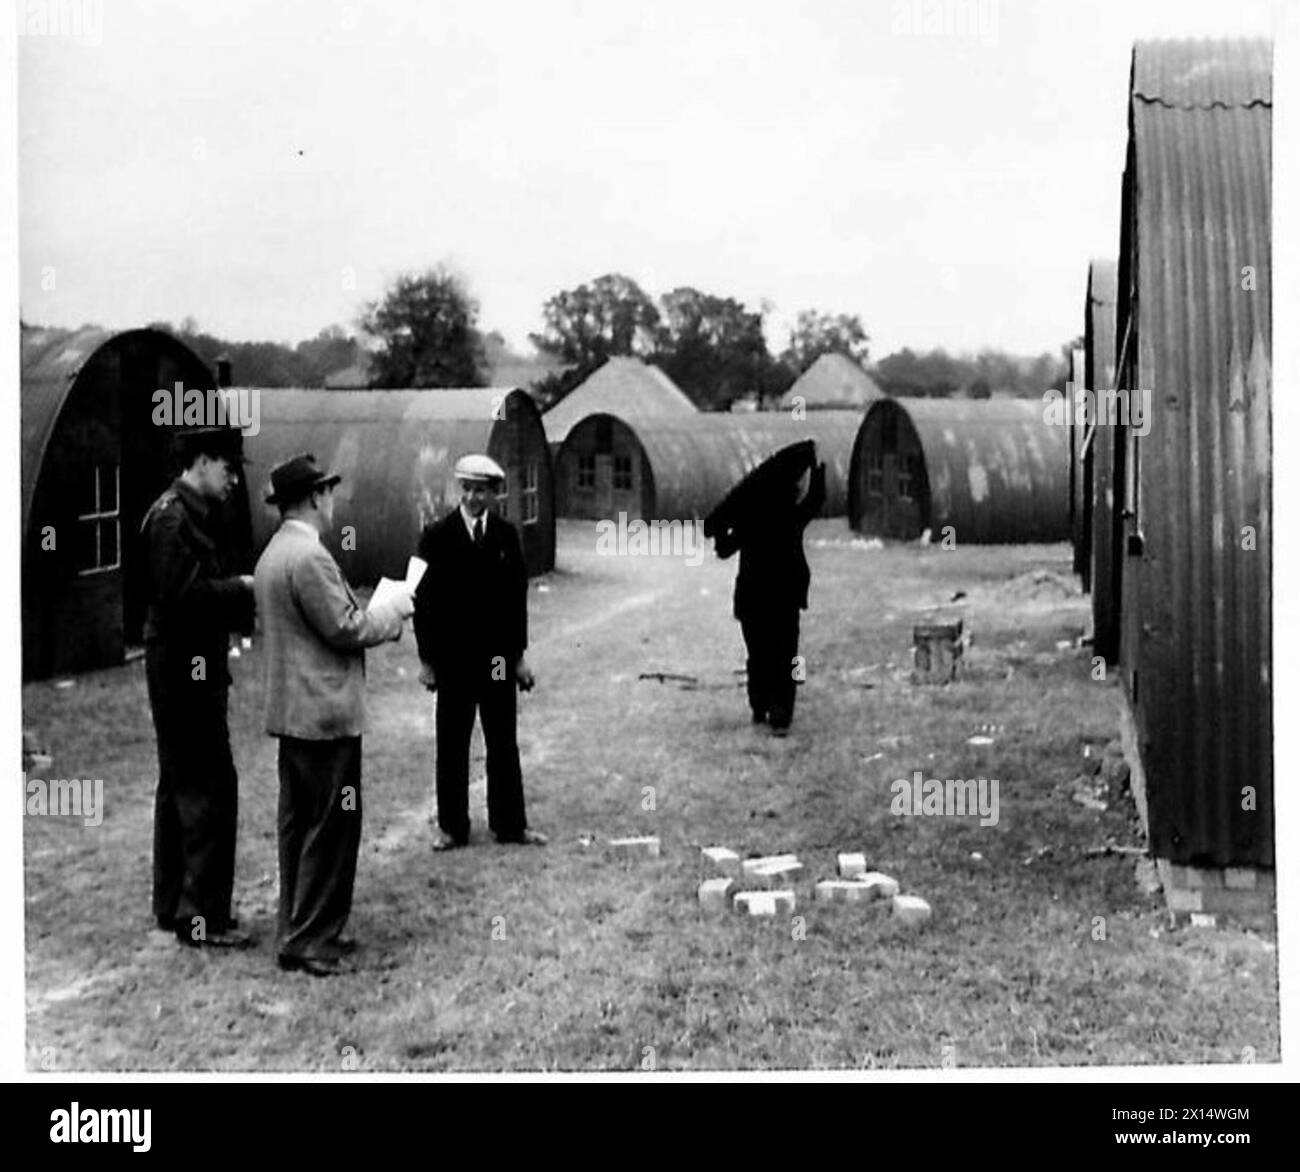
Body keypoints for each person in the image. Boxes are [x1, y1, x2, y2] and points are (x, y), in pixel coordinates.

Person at [253, 454, 413, 977]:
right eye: (328, 492)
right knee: (332, 827)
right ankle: (313, 940)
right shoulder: (310, 557)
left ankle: (297, 929)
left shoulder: (275, 553)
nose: (333, 500)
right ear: (316, 497)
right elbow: (344, 628)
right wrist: (393, 612)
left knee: (299, 827)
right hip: (325, 717)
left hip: (294, 715)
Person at [142, 425, 256, 948]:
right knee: (209, 785)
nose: (233, 480)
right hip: (185, 669)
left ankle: (173, 906)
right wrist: (242, 590)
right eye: (229, 468)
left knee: (180, 784)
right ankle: (201, 917)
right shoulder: (173, 519)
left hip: (185, 666)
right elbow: (183, 599)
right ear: (203, 461)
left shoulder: (183, 514)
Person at [413, 454, 546, 850]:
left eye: (481, 490)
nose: (473, 497)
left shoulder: (506, 536)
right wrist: (427, 661)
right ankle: (452, 827)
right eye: (467, 489)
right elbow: (421, 602)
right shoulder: (436, 537)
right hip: (453, 662)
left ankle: (510, 825)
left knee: (503, 741)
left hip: (497, 662)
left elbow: (515, 602)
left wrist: (517, 657)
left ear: (494, 493)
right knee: (452, 743)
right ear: (460, 490)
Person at [713, 459, 826, 736]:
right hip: (784, 596)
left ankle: (759, 706)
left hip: (753, 598)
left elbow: (725, 549)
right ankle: (781, 713)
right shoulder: (790, 515)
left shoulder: (748, 517)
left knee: (759, 655)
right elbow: (814, 501)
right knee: (785, 654)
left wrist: (718, 530)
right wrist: (818, 472)